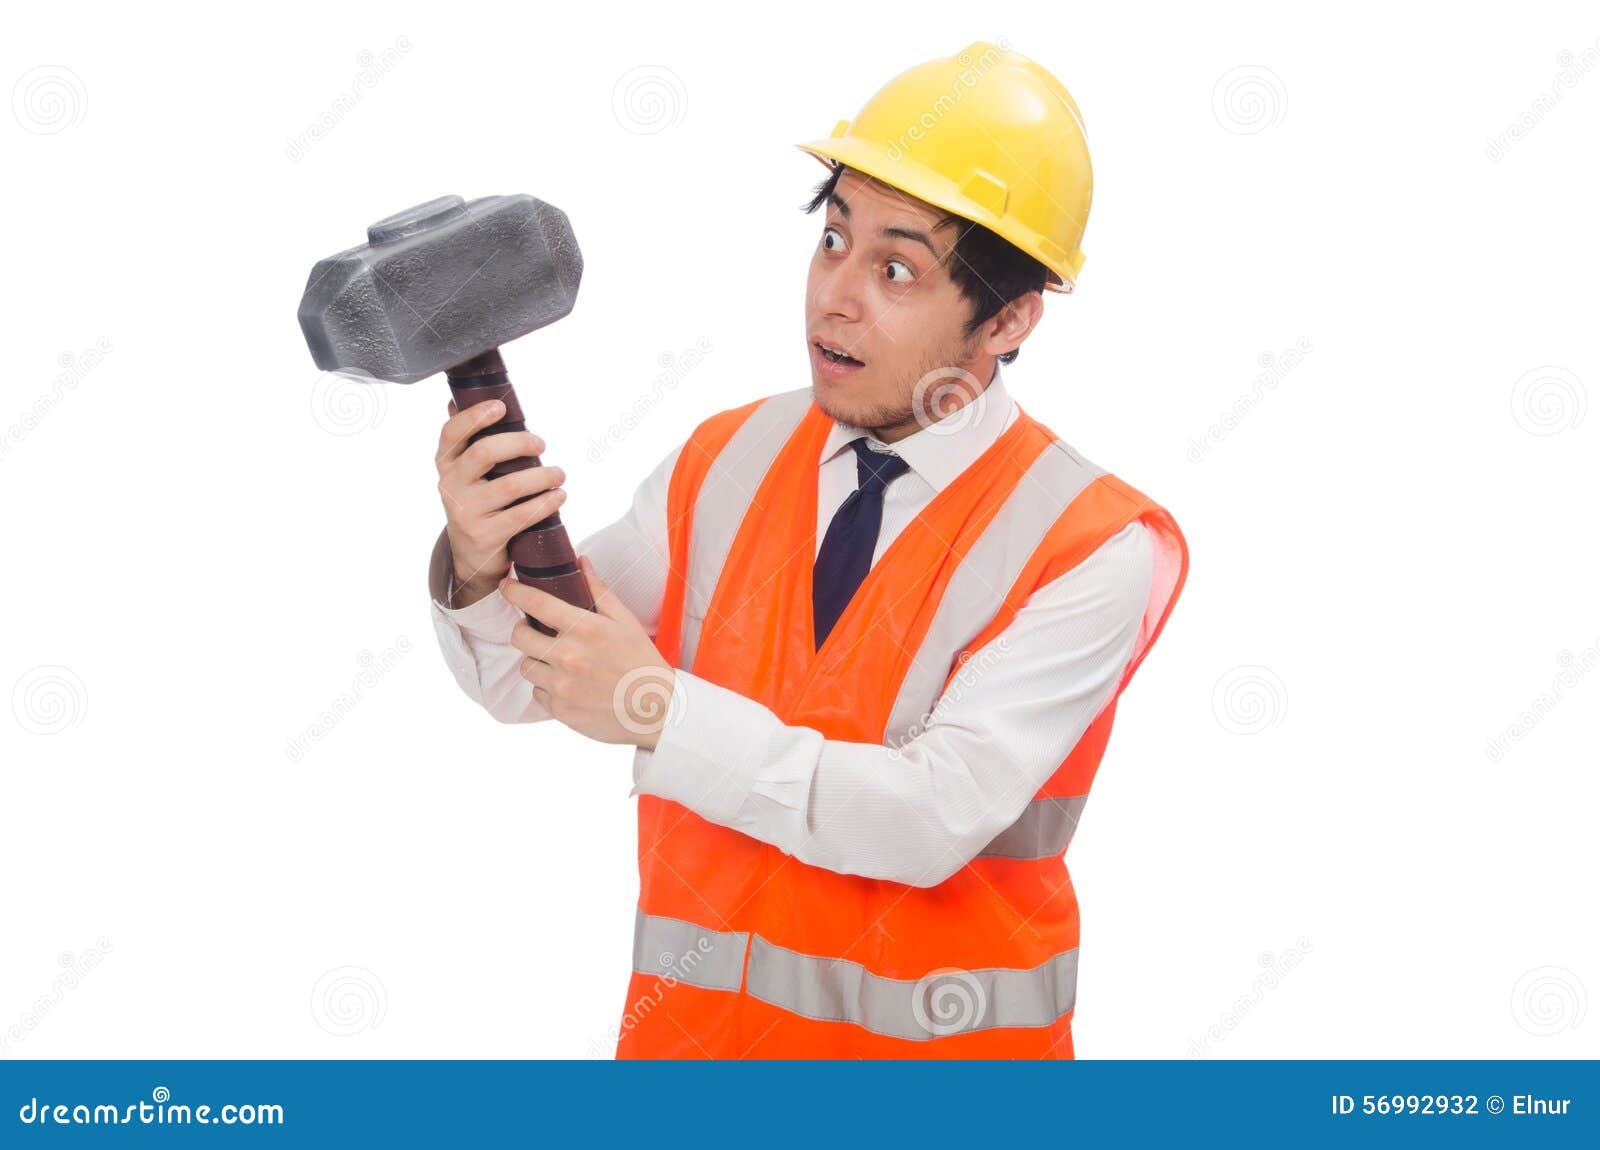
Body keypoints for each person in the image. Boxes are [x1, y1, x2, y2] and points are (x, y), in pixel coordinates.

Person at [427, 42, 1188, 1058]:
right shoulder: (725, 458)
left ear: (1007, 318)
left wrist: (656, 708)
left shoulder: (1088, 544)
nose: (835, 294)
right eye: (833, 238)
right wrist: (483, 561)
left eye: (895, 268)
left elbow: (930, 815)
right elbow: (529, 683)